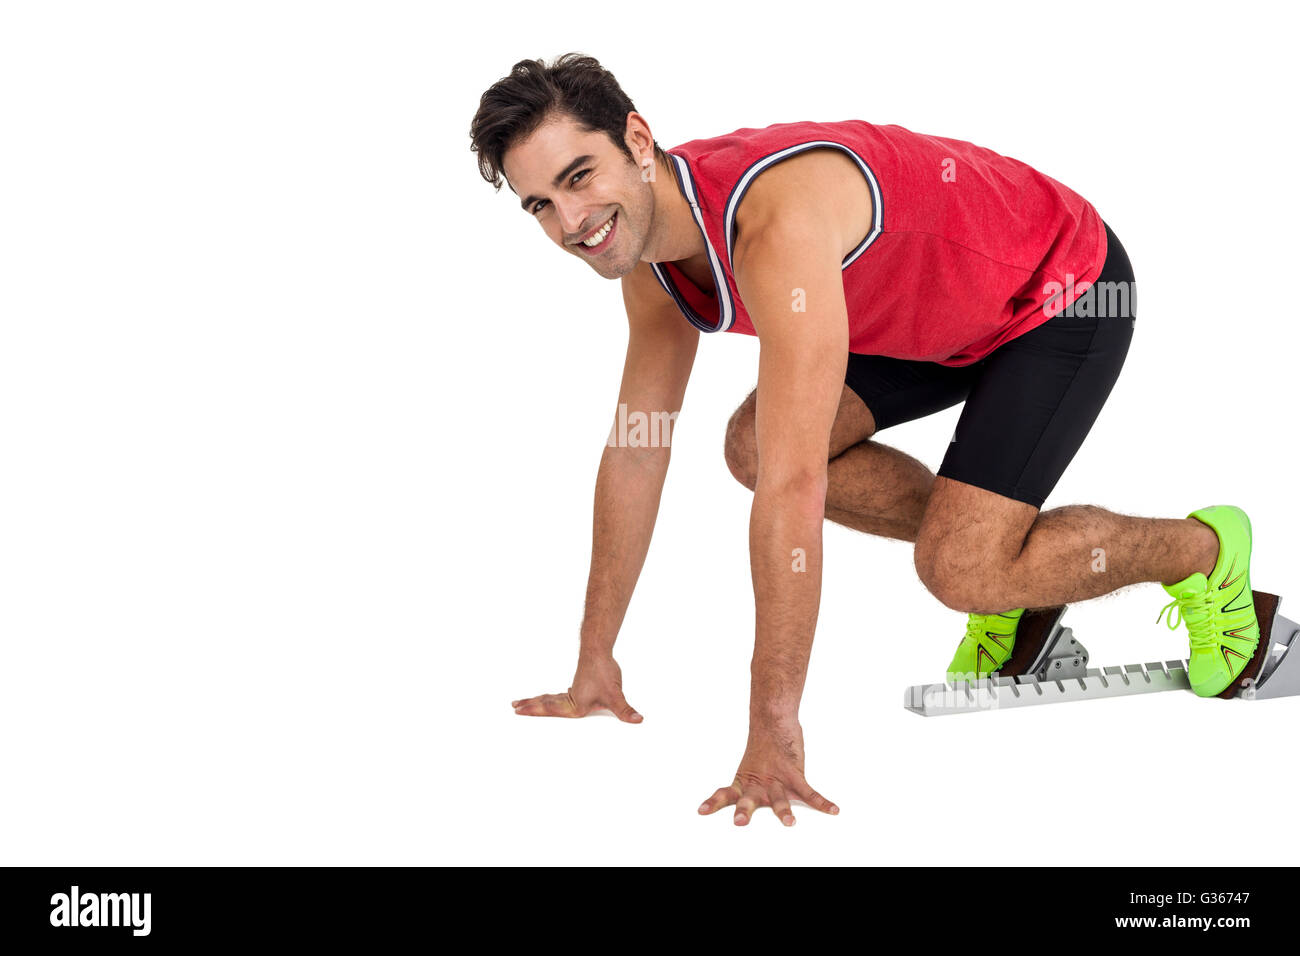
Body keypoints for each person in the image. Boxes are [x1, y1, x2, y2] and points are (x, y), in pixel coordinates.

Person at [469, 53, 1261, 827]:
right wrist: (594, 658)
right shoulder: (646, 250)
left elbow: (794, 490)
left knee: (958, 566)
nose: (572, 222)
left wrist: (772, 732)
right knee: (755, 445)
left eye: (580, 177)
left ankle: (1204, 552)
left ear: (638, 142)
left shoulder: (774, 230)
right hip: (928, 318)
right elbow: (640, 444)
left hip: (1056, 290)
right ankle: (1017, 574)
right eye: (538, 203)